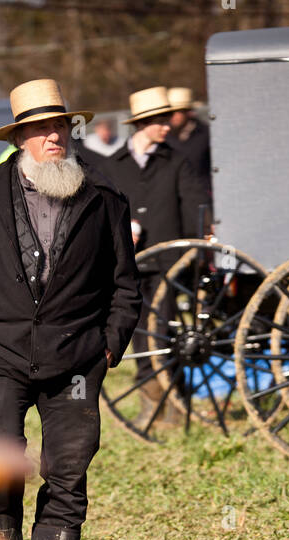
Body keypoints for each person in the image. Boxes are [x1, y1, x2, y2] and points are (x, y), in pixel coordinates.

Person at [0, 78, 141, 540]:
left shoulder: (106, 198)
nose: (55, 137)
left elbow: (125, 283)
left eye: (61, 126)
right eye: (42, 129)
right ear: (19, 138)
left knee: (68, 475)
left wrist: (109, 345)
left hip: (77, 360)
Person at [89, 86, 207, 429]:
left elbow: (195, 205)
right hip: (129, 267)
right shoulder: (113, 166)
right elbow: (100, 214)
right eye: (160, 121)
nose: (167, 126)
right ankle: (151, 405)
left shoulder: (177, 161)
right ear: (143, 124)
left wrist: (194, 252)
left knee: (164, 334)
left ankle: (172, 407)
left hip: (169, 264)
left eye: (168, 119)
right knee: (138, 333)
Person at [165, 87, 212, 197]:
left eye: (177, 112)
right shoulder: (164, 136)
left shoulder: (206, 134)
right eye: (169, 112)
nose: (172, 117)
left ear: (188, 112)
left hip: (201, 195)